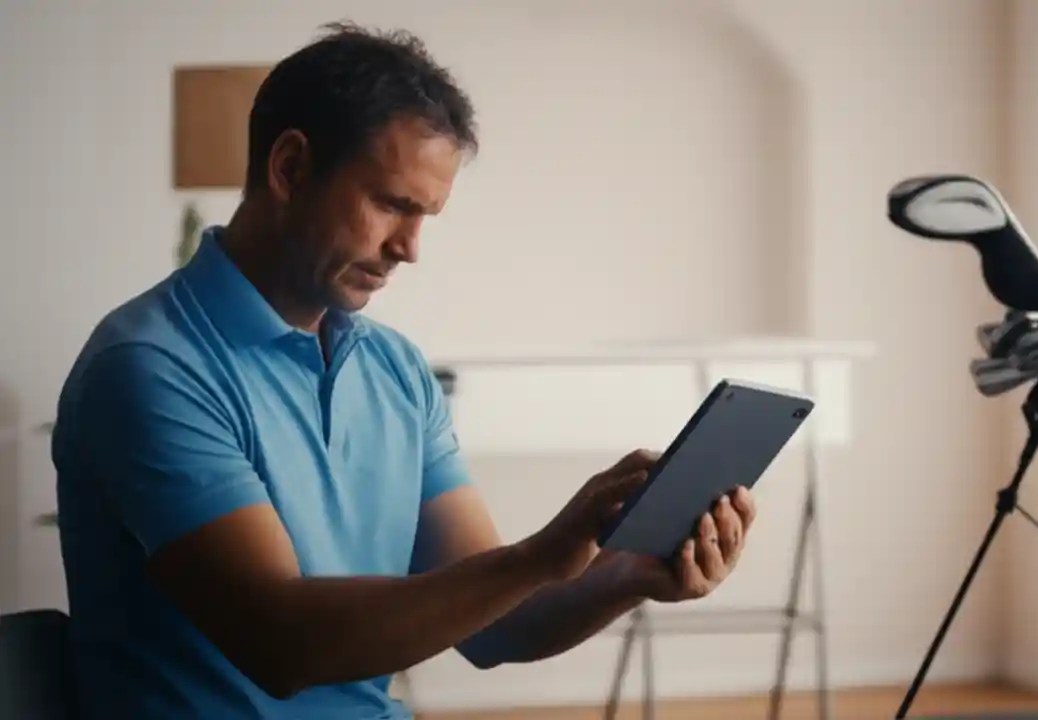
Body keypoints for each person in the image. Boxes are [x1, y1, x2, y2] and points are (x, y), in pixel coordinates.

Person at [51, 21, 758, 719]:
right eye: (392, 204)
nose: (410, 248)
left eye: (427, 216)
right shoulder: (150, 368)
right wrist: (540, 556)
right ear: (290, 168)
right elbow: (282, 642)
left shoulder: (393, 369)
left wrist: (630, 575)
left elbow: (498, 626)